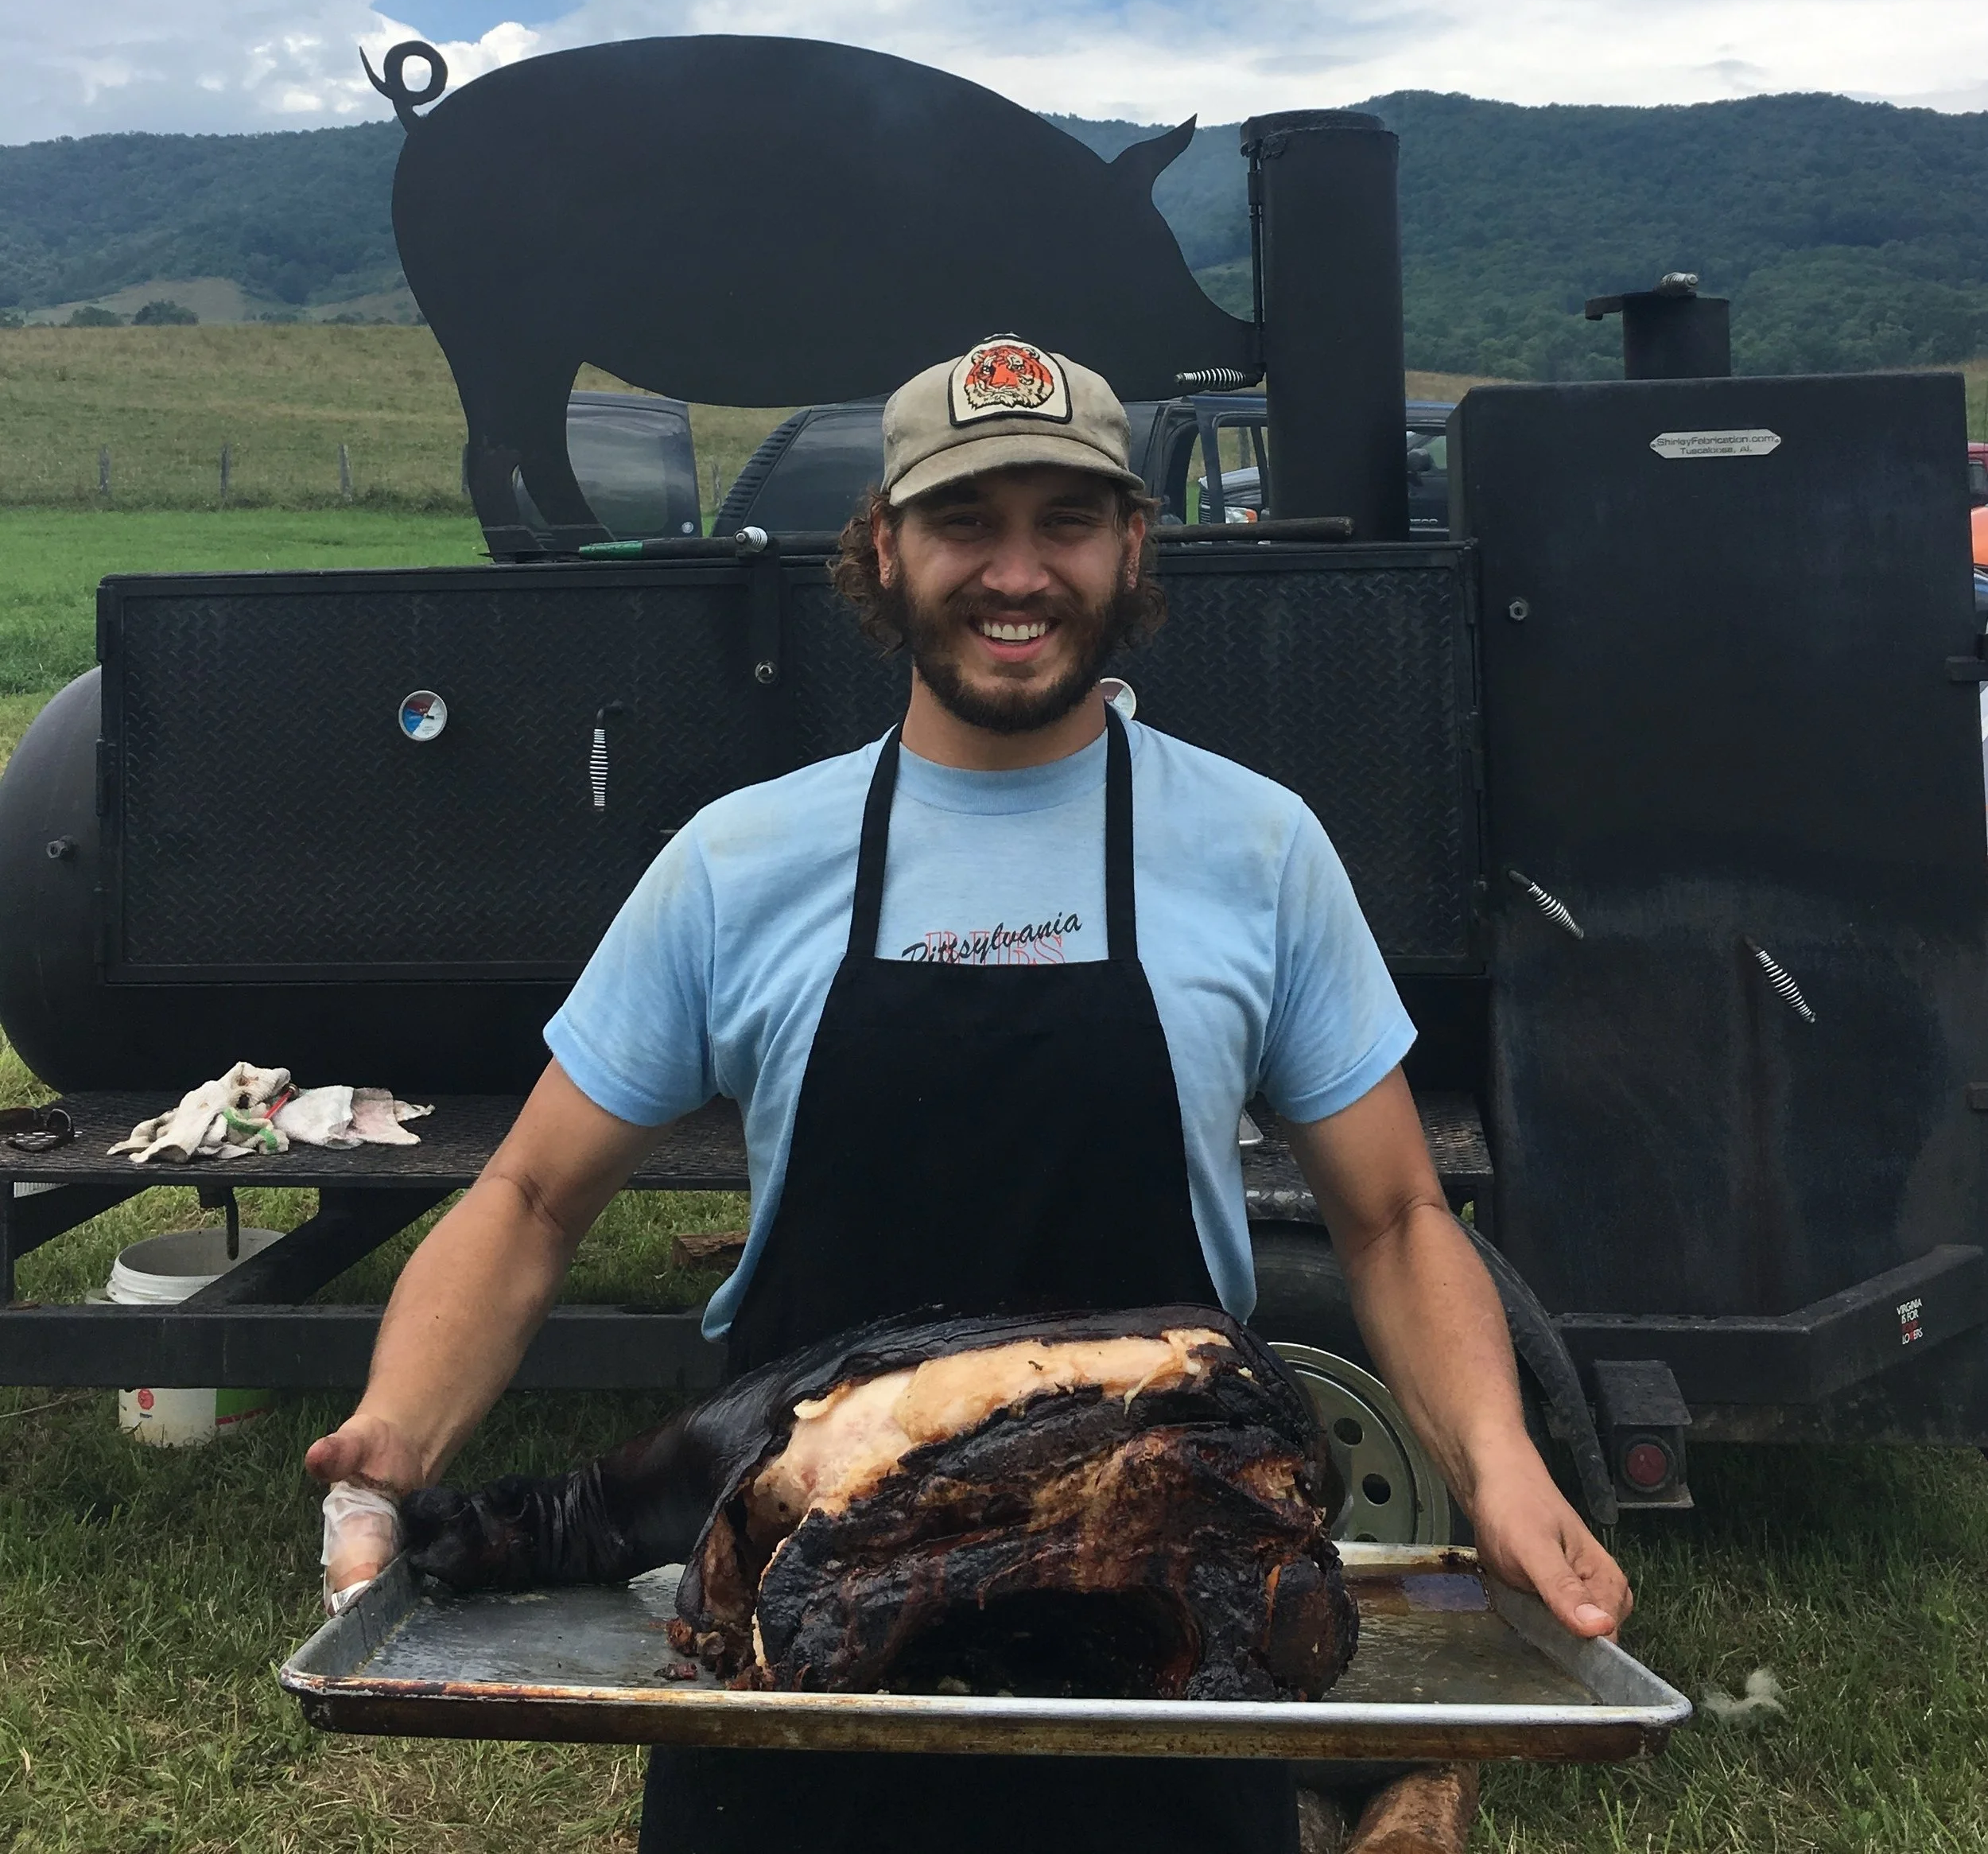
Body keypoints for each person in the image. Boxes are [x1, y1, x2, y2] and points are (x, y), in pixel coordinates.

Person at [309, 336, 1631, 1853]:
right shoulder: (743, 860)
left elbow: (1395, 1218)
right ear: (885, 547)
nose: (1019, 573)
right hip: (805, 1650)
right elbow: (532, 1197)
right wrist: (394, 1433)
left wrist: (1504, 1467)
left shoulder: (1258, 850)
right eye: (966, 523)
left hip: (1161, 1634)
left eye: (1064, 521)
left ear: (1134, 542)